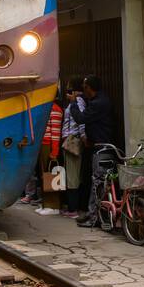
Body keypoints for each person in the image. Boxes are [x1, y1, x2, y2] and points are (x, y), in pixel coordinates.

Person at [70, 75, 115, 229]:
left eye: (84, 88)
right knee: (97, 181)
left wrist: (73, 104)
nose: (83, 91)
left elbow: (81, 118)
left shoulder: (98, 103)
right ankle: (93, 214)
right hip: (100, 147)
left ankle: (94, 217)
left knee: (98, 183)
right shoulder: (100, 99)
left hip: (102, 148)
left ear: (89, 88)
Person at [60, 77, 85, 217]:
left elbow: (81, 121)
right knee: (71, 173)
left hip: (73, 140)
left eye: (70, 88)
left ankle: (73, 209)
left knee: (72, 175)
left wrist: (82, 137)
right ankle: (73, 207)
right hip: (70, 139)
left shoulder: (78, 102)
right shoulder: (73, 103)